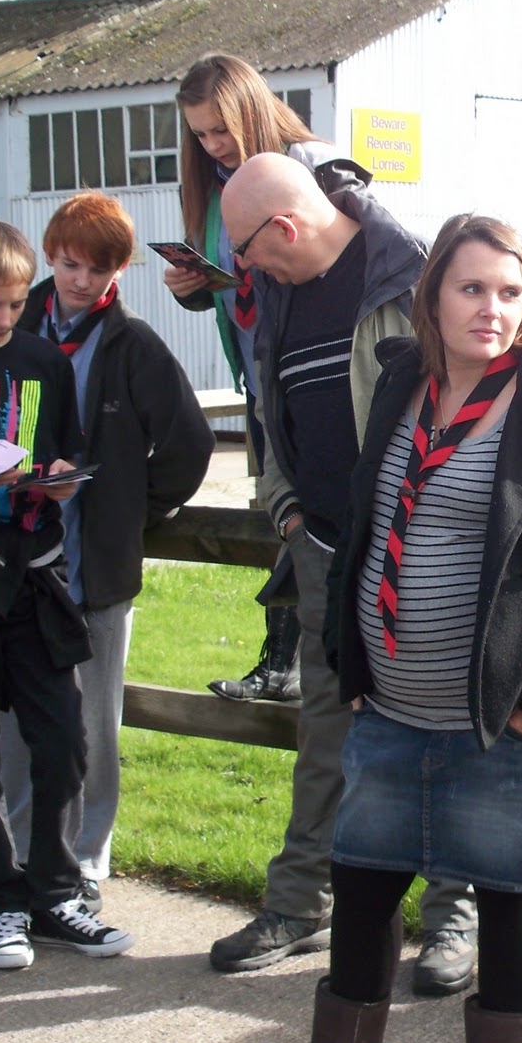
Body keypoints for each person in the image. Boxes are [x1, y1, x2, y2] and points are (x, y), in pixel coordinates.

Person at [231, 213, 522, 1043]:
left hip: (506, 719)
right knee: (365, 881)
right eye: (472, 289)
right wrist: (348, 655)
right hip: (388, 703)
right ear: (431, 298)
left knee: (507, 893)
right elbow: (368, 524)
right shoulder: (401, 385)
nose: (493, 309)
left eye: (512, 292)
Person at [210, 153, 479, 994]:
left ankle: (452, 920)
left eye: (251, 250)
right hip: (324, 553)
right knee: (326, 736)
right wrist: (285, 510)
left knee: (444, 733)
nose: (246, 270)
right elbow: (269, 412)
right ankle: (299, 904)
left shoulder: (417, 273)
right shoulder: (282, 294)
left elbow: (476, 390)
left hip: (424, 555)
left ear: (284, 228)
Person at [0, 191, 214, 911]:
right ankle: (19, 853)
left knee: (92, 723)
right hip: (14, 563)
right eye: (68, 264)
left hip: (95, 571)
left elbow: (188, 443)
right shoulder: (14, 321)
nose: (80, 280)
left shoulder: (132, 342)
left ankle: (85, 854)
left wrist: (129, 513)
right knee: (14, 718)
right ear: (49, 256)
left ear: (119, 270)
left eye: (98, 268)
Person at [0, 221, 135, 971]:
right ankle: (0, 898)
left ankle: (54, 891)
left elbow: (70, 451)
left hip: (37, 572)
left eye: (14, 305)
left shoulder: (45, 360)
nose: (2, 319)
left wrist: (53, 472)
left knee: (63, 739)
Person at [165, 53, 362, 704]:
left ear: (250, 110)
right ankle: (286, 659)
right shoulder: (214, 185)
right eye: (199, 134)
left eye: (219, 128)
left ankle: (312, 660)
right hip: (260, 380)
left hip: (316, 376)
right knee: (279, 511)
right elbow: (235, 285)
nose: (212, 144)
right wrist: (193, 288)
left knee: (315, 515)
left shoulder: (311, 166)